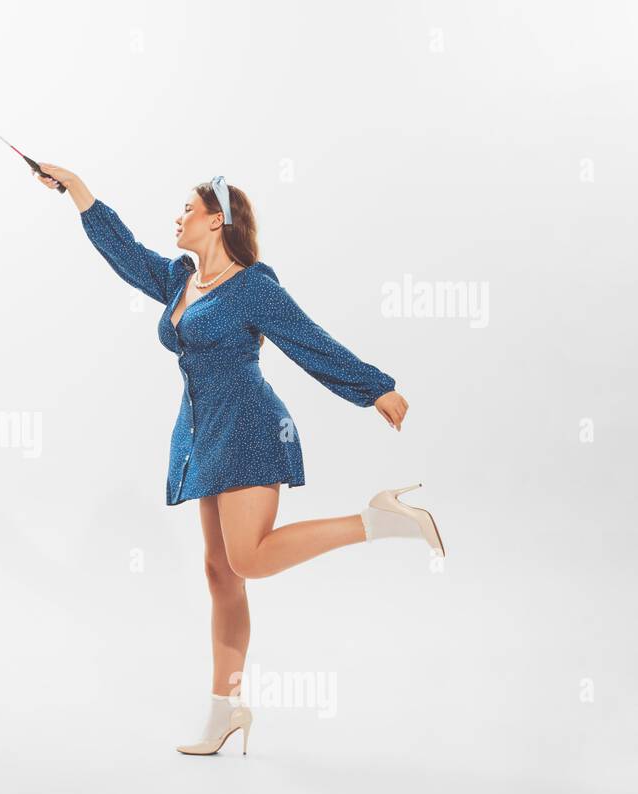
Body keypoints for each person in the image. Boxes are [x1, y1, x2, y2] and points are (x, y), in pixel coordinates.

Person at [33, 163, 445, 756]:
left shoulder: (252, 286)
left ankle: (379, 520)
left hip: (249, 424)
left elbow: (307, 338)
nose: (177, 217)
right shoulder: (180, 280)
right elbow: (123, 252)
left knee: (247, 560)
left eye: (187, 210)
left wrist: (373, 386)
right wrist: (76, 189)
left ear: (216, 219)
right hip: (202, 433)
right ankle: (224, 712)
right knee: (220, 573)